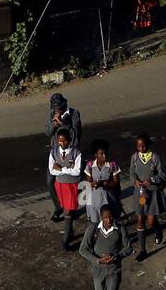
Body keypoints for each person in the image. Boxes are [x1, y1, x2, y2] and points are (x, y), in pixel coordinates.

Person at [129, 133, 166, 262]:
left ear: (148, 145)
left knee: (150, 221)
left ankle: (157, 230)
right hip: (139, 193)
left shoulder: (155, 158)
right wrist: (135, 181)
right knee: (140, 219)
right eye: (139, 146)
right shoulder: (134, 158)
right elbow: (131, 173)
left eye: (143, 146)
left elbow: (163, 175)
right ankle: (142, 250)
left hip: (152, 193)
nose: (141, 148)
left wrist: (152, 180)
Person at [46, 93, 83, 221]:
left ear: (64, 105)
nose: (57, 111)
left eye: (59, 109)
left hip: (70, 152)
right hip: (56, 153)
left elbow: (76, 136)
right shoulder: (52, 114)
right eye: (55, 109)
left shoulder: (74, 114)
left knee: (73, 180)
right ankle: (59, 206)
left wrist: (62, 124)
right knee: (50, 181)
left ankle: (72, 208)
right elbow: (47, 132)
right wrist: (53, 125)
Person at [49, 127, 83, 250]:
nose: (62, 143)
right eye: (59, 141)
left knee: (68, 211)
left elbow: (77, 172)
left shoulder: (76, 153)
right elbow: (52, 170)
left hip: (72, 185)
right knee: (66, 209)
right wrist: (69, 169)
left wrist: (61, 169)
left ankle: (66, 240)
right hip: (60, 185)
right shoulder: (53, 152)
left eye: (64, 141)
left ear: (69, 140)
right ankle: (70, 231)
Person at [83, 141, 122, 224]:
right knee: (95, 224)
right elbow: (87, 183)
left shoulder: (112, 165)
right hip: (94, 200)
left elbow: (116, 182)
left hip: (109, 199)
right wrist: (92, 184)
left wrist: (104, 183)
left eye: (106, 153)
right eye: (102, 153)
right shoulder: (90, 166)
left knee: (110, 222)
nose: (105, 155)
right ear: (96, 155)